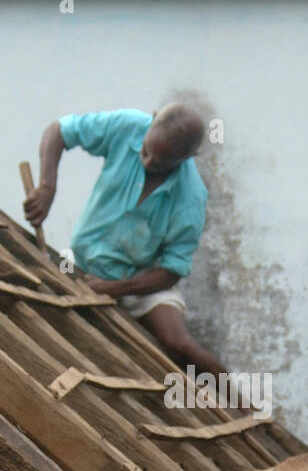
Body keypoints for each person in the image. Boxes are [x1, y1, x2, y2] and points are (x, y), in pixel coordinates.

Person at [23, 104, 228, 378]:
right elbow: (59, 131)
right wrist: (47, 187)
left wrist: (116, 288)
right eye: (146, 152)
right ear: (153, 120)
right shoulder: (127, 126)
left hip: (140, 282)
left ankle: (242, 405)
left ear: (188, 157)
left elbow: (171, 273)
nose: (148, 162)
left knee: (178, 344)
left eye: (160, 163)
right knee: (36, 291)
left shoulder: (190, 196)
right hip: (81, 265)